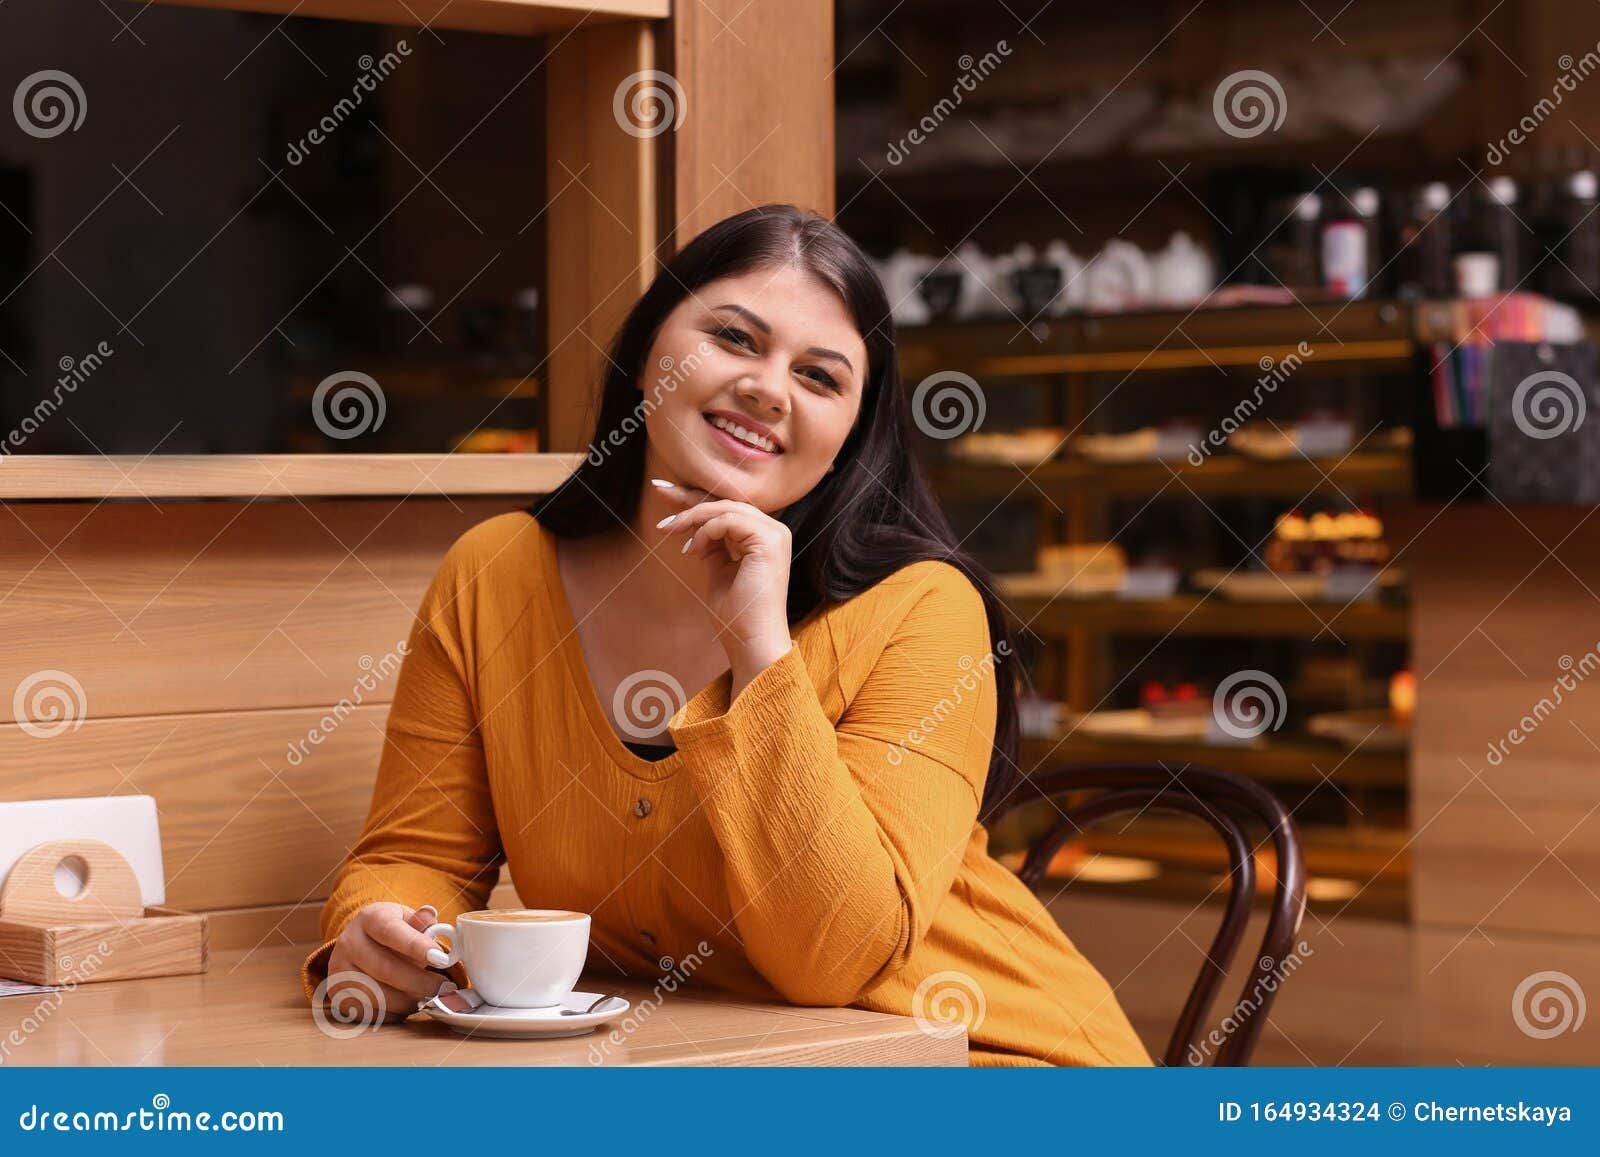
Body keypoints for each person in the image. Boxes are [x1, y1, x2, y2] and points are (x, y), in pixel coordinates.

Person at [300, 203, 1152, 1066]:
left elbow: (833, 955)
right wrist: (378, 934)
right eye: (736, 339)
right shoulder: (495, 575)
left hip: (986, 1062)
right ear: (644, 354)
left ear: (848, 440)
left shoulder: (926, 608)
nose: (768, 388)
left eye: (821, 379)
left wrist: (759, 646)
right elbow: (415, 856)